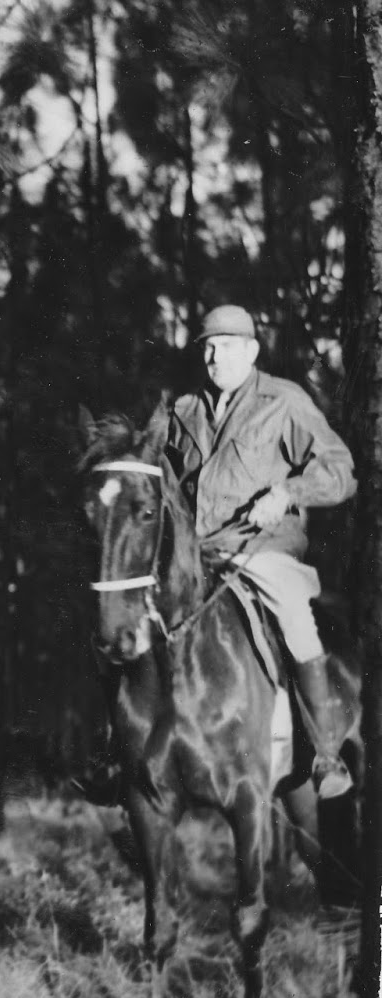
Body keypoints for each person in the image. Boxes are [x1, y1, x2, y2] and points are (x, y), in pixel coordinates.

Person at [83, 303, 357, 803]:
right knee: (123, 616)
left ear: (251, 351)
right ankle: (115, 750)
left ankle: (325, 753)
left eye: (226, 346)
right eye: (208, 347)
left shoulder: (284, 401)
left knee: (294, 615)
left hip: (262, 550)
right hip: (199, 554)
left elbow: (340, 470)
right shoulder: (184, 411)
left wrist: (287, 494)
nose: (214, 356)